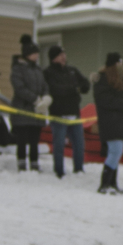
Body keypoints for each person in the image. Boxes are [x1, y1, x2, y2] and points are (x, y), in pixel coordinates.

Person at [43, 45, 91, 177]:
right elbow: (56, 90)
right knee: (59, 145)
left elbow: (85, 84)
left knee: (79, 143)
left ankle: (79, 169)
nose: (64, 57)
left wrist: (79, 88)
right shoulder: (48, 73)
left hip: (74, 113)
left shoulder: (72, 71)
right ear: (54, 58)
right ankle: (59, 171)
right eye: (60, 55)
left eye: (64, 54)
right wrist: (74, 89)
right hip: (58, 115)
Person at [93, 52, 123, 193]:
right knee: (115, 152)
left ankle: (112, 184)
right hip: (110, 122)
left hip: (120, 122)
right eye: (119, 63)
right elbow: (104, 100)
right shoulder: (103, 79)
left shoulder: (120, 79)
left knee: (116, 152)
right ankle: (104, 184)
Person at [9, 36, 48, 173]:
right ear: (27, 54)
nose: (37, 56)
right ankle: (21, 162)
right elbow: (19, 88)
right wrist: (34, 99)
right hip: (22, 109)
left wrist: (45, 96)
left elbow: (44, 85)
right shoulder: (18, 69)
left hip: (37, 112)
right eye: (34, 53)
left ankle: (34, 162)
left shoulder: (38, 70)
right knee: (22, 138)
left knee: (34, 138)